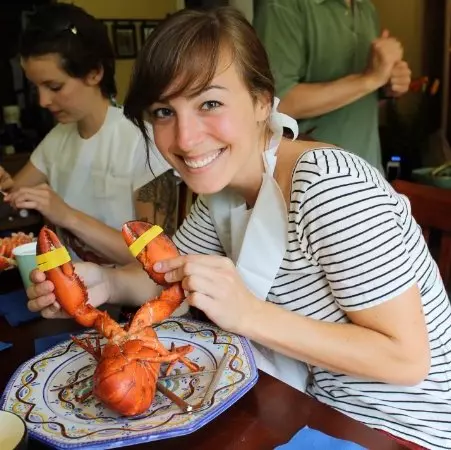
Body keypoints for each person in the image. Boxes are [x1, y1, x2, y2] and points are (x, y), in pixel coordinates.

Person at [26, 7, 450, 450]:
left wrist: (248, 314)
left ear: (262, 102)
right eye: (164, 111)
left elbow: (406, 360)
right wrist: (103, 283)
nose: (185, 138)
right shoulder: (222, 193)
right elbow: (168, 279)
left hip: (394, 429)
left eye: (210, 103)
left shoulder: (328, 186)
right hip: (306, 400)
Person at [0, 3, 170, 265]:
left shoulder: (143, 143)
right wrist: (7, 189)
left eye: (54, 86)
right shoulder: (58, 137)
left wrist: (66, 215)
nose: (43, 101)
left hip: (126, 300)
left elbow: (153, 258)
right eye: (37, 88)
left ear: (95, 73)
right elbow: (14, 197)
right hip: (62, 291)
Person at [253, 0, 412, 172]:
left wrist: (388, 84)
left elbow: (361, 95)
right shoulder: (281, 6)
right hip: (312, 182)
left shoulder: (366, 7)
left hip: (368, 174)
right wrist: (371, 79)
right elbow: (276, 103)